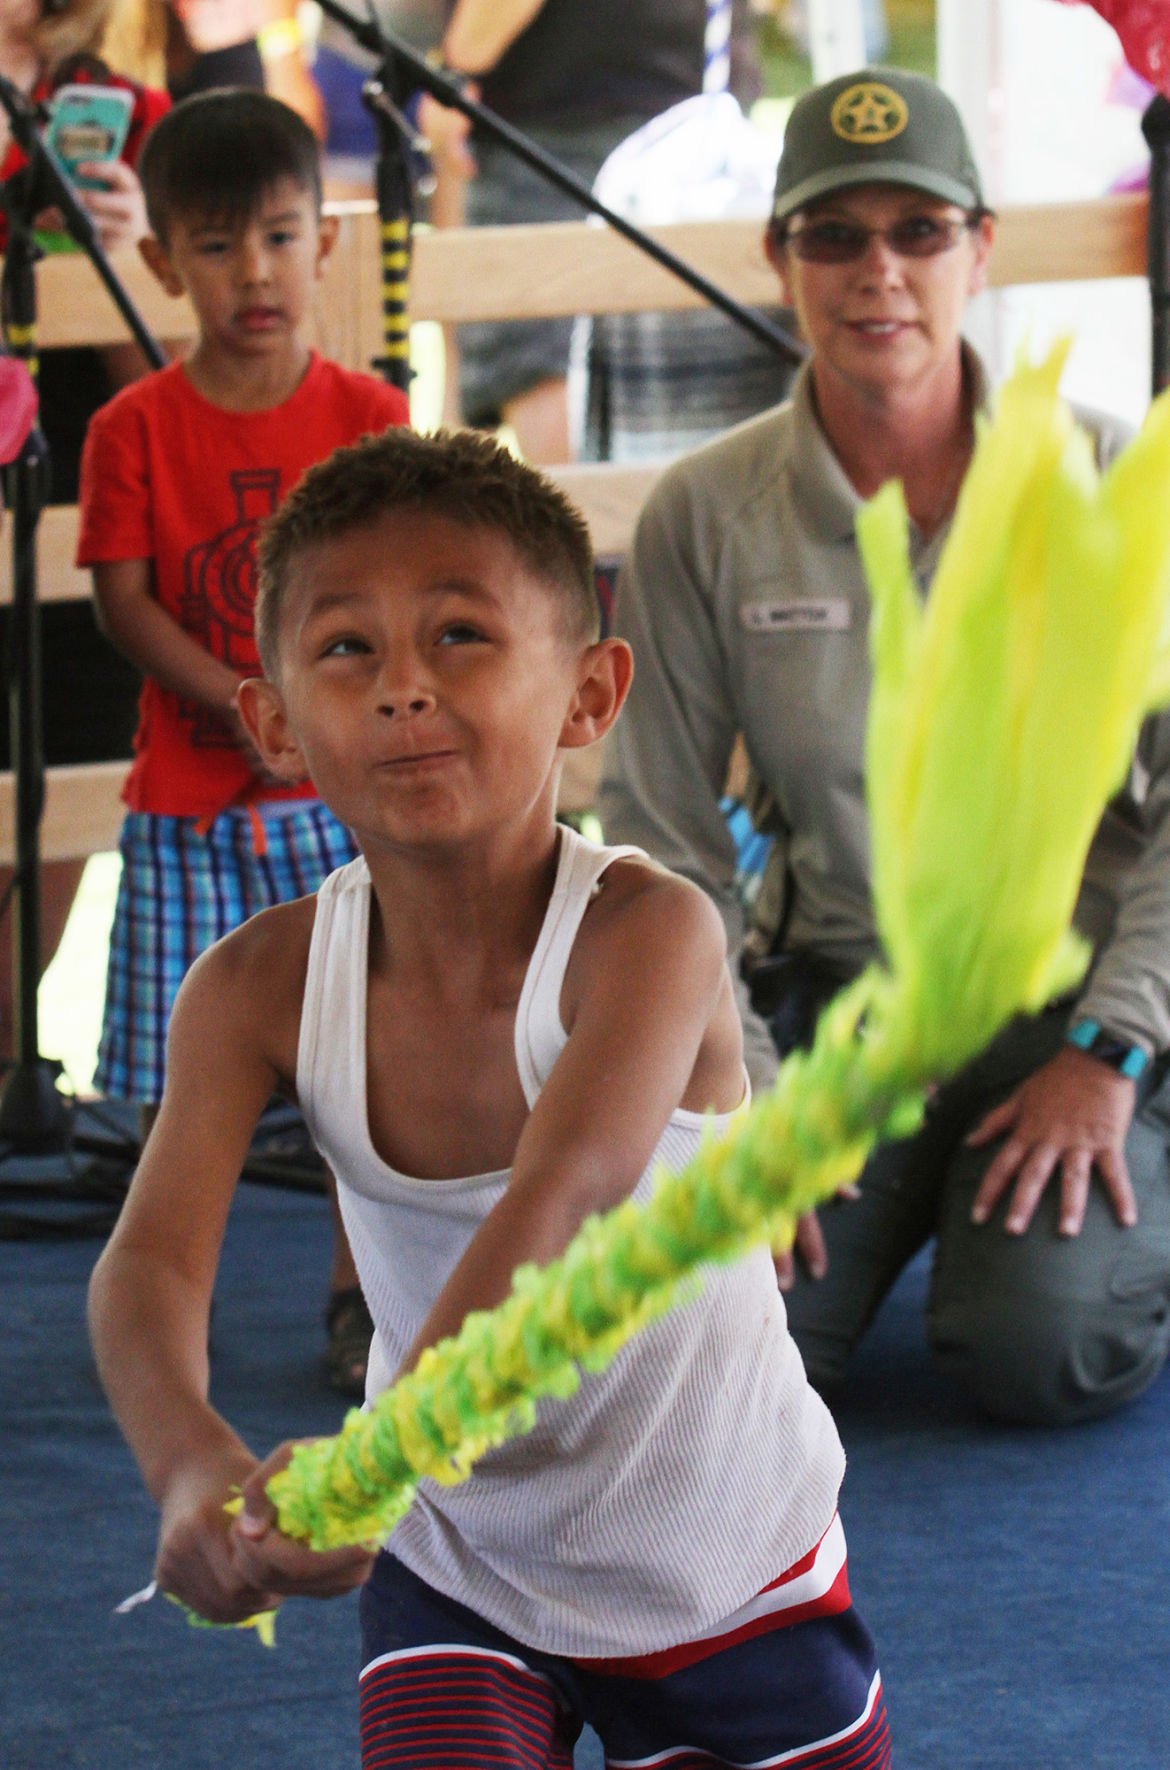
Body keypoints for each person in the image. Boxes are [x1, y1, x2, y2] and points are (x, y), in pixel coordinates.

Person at [87, 426, 892, 1770]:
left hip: (725, 1567)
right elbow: (149, 1262)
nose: (403, 686)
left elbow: (563, 1194)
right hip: (457, 1563)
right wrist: (189, 1462)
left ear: (587, 692)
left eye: (459, 633)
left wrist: (381, 1454)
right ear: (274, 719)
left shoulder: (654, 933)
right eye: (346, 648)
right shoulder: (252, 986)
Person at [600, 65, 1170, 1428]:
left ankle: (1119, 1171)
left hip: (1078, 1010)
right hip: (835, 1017)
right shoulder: (702, 511)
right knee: (736, 1342)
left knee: (1035, 1350)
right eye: (833, 233)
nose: (879, 272)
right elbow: (655, 836)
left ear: (978, 248)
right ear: (777, 257)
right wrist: (743, 1097)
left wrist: (1111, 1053)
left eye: (917, 231)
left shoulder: (1108, 483)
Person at [75, 88, 411, 1394]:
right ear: (161, 261)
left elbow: (401, 597)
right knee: (181, 1085)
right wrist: (240, 699)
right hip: (185, 808)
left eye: (277, 237)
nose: (253, 273)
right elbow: (122, 599)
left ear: (324, 240)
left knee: (365, 1074)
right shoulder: (130, 428)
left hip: (344, 805)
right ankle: (168, 1314)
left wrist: (317, 709)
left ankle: (358, 1295)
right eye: (216, 246)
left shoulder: (374, 415)